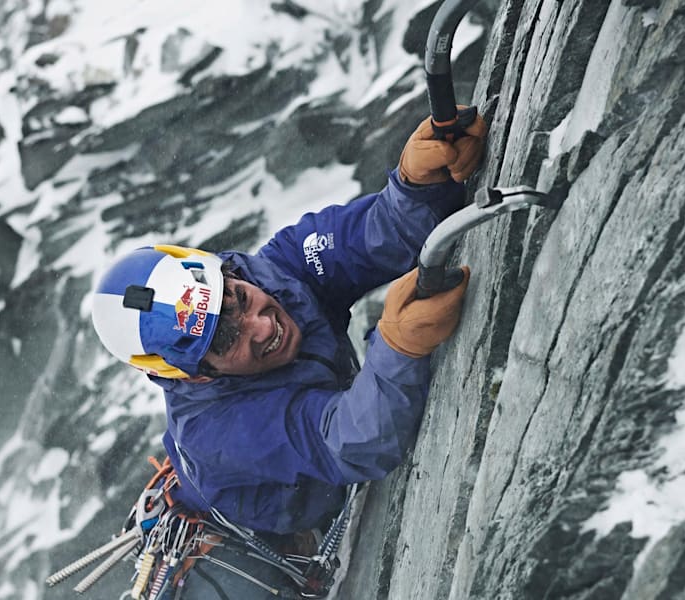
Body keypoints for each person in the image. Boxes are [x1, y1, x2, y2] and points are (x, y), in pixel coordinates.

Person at [88, 112, 487, 597]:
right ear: (197, 376)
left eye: (234, 297)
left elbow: (374, 234)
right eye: (224, 340)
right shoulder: (219, 430)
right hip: (257, 540)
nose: (262, 325)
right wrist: (397, 346)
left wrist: (418, 184)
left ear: (227, 273)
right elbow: (355, 441)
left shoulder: (275, 269)